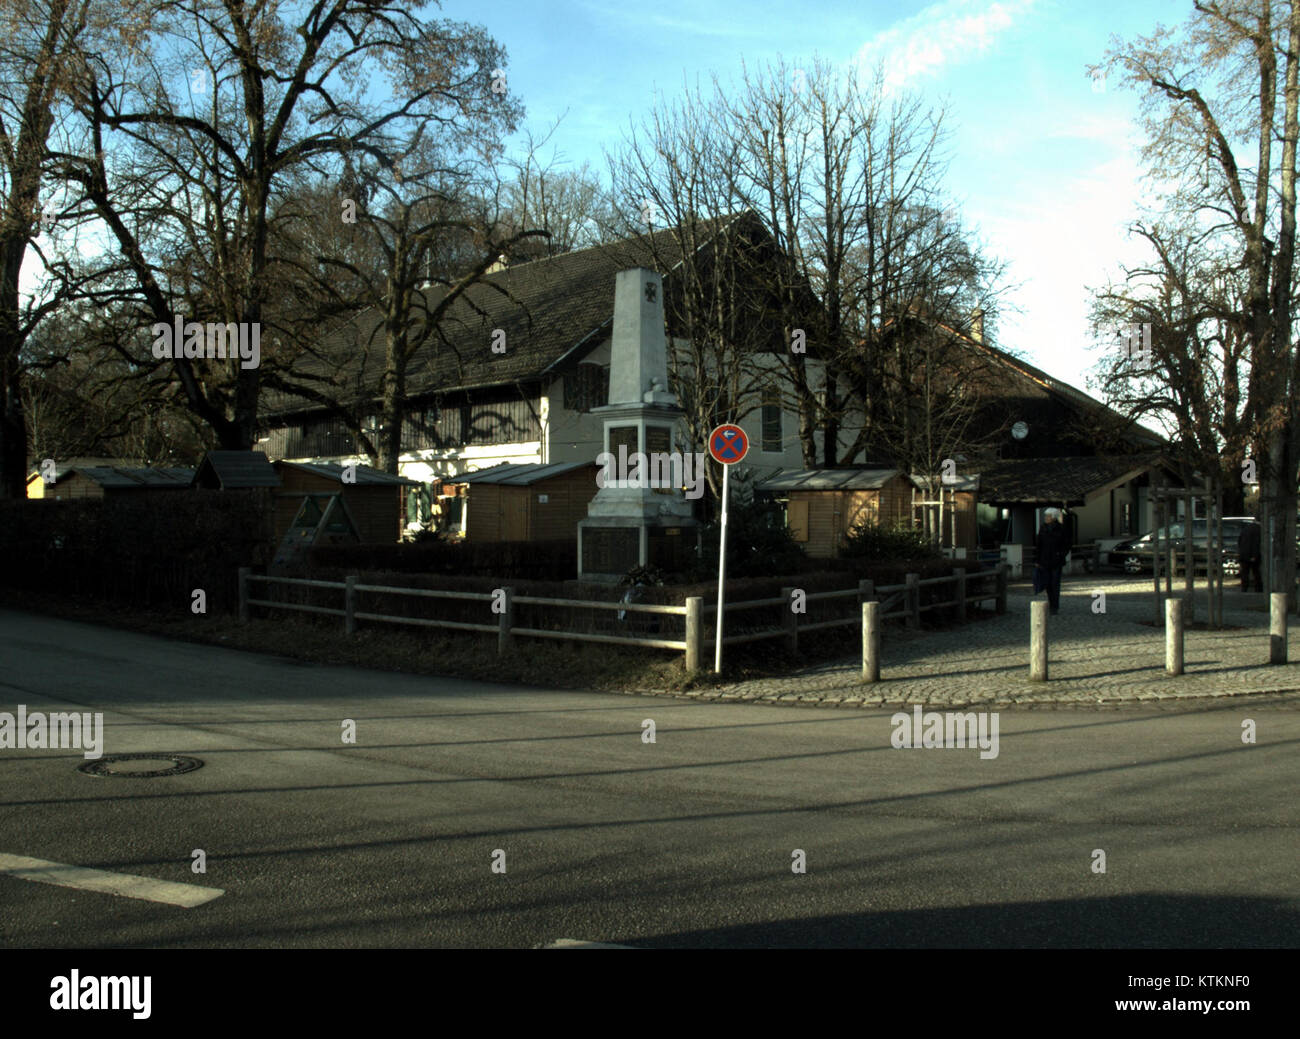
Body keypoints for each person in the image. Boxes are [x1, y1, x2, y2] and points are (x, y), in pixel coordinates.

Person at [1034, 507, 1071, 615]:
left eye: (1048, 516)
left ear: (1053, 517)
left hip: (1056, 561)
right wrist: (1037, 560)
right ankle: (1051, 604)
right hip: (1044, 560)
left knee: (1055, 584)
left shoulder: (1061, 529)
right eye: (1045, 516)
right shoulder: (1043, 528)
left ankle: (1055, 606)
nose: (1046, 518)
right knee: (1048, 584)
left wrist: (1061, 554)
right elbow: (1039, 545)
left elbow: (1067, 543)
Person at [1237, 518, 1263, 593]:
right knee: (1256, 572)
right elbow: (1256, 543)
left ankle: (1244, 588)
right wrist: (1254, 555)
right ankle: (1258, 588)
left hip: (1243, 554)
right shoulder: (1258, 530)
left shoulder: (1246, 529)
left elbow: (1240, 541)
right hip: (1252, 554)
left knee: (1245, 572)